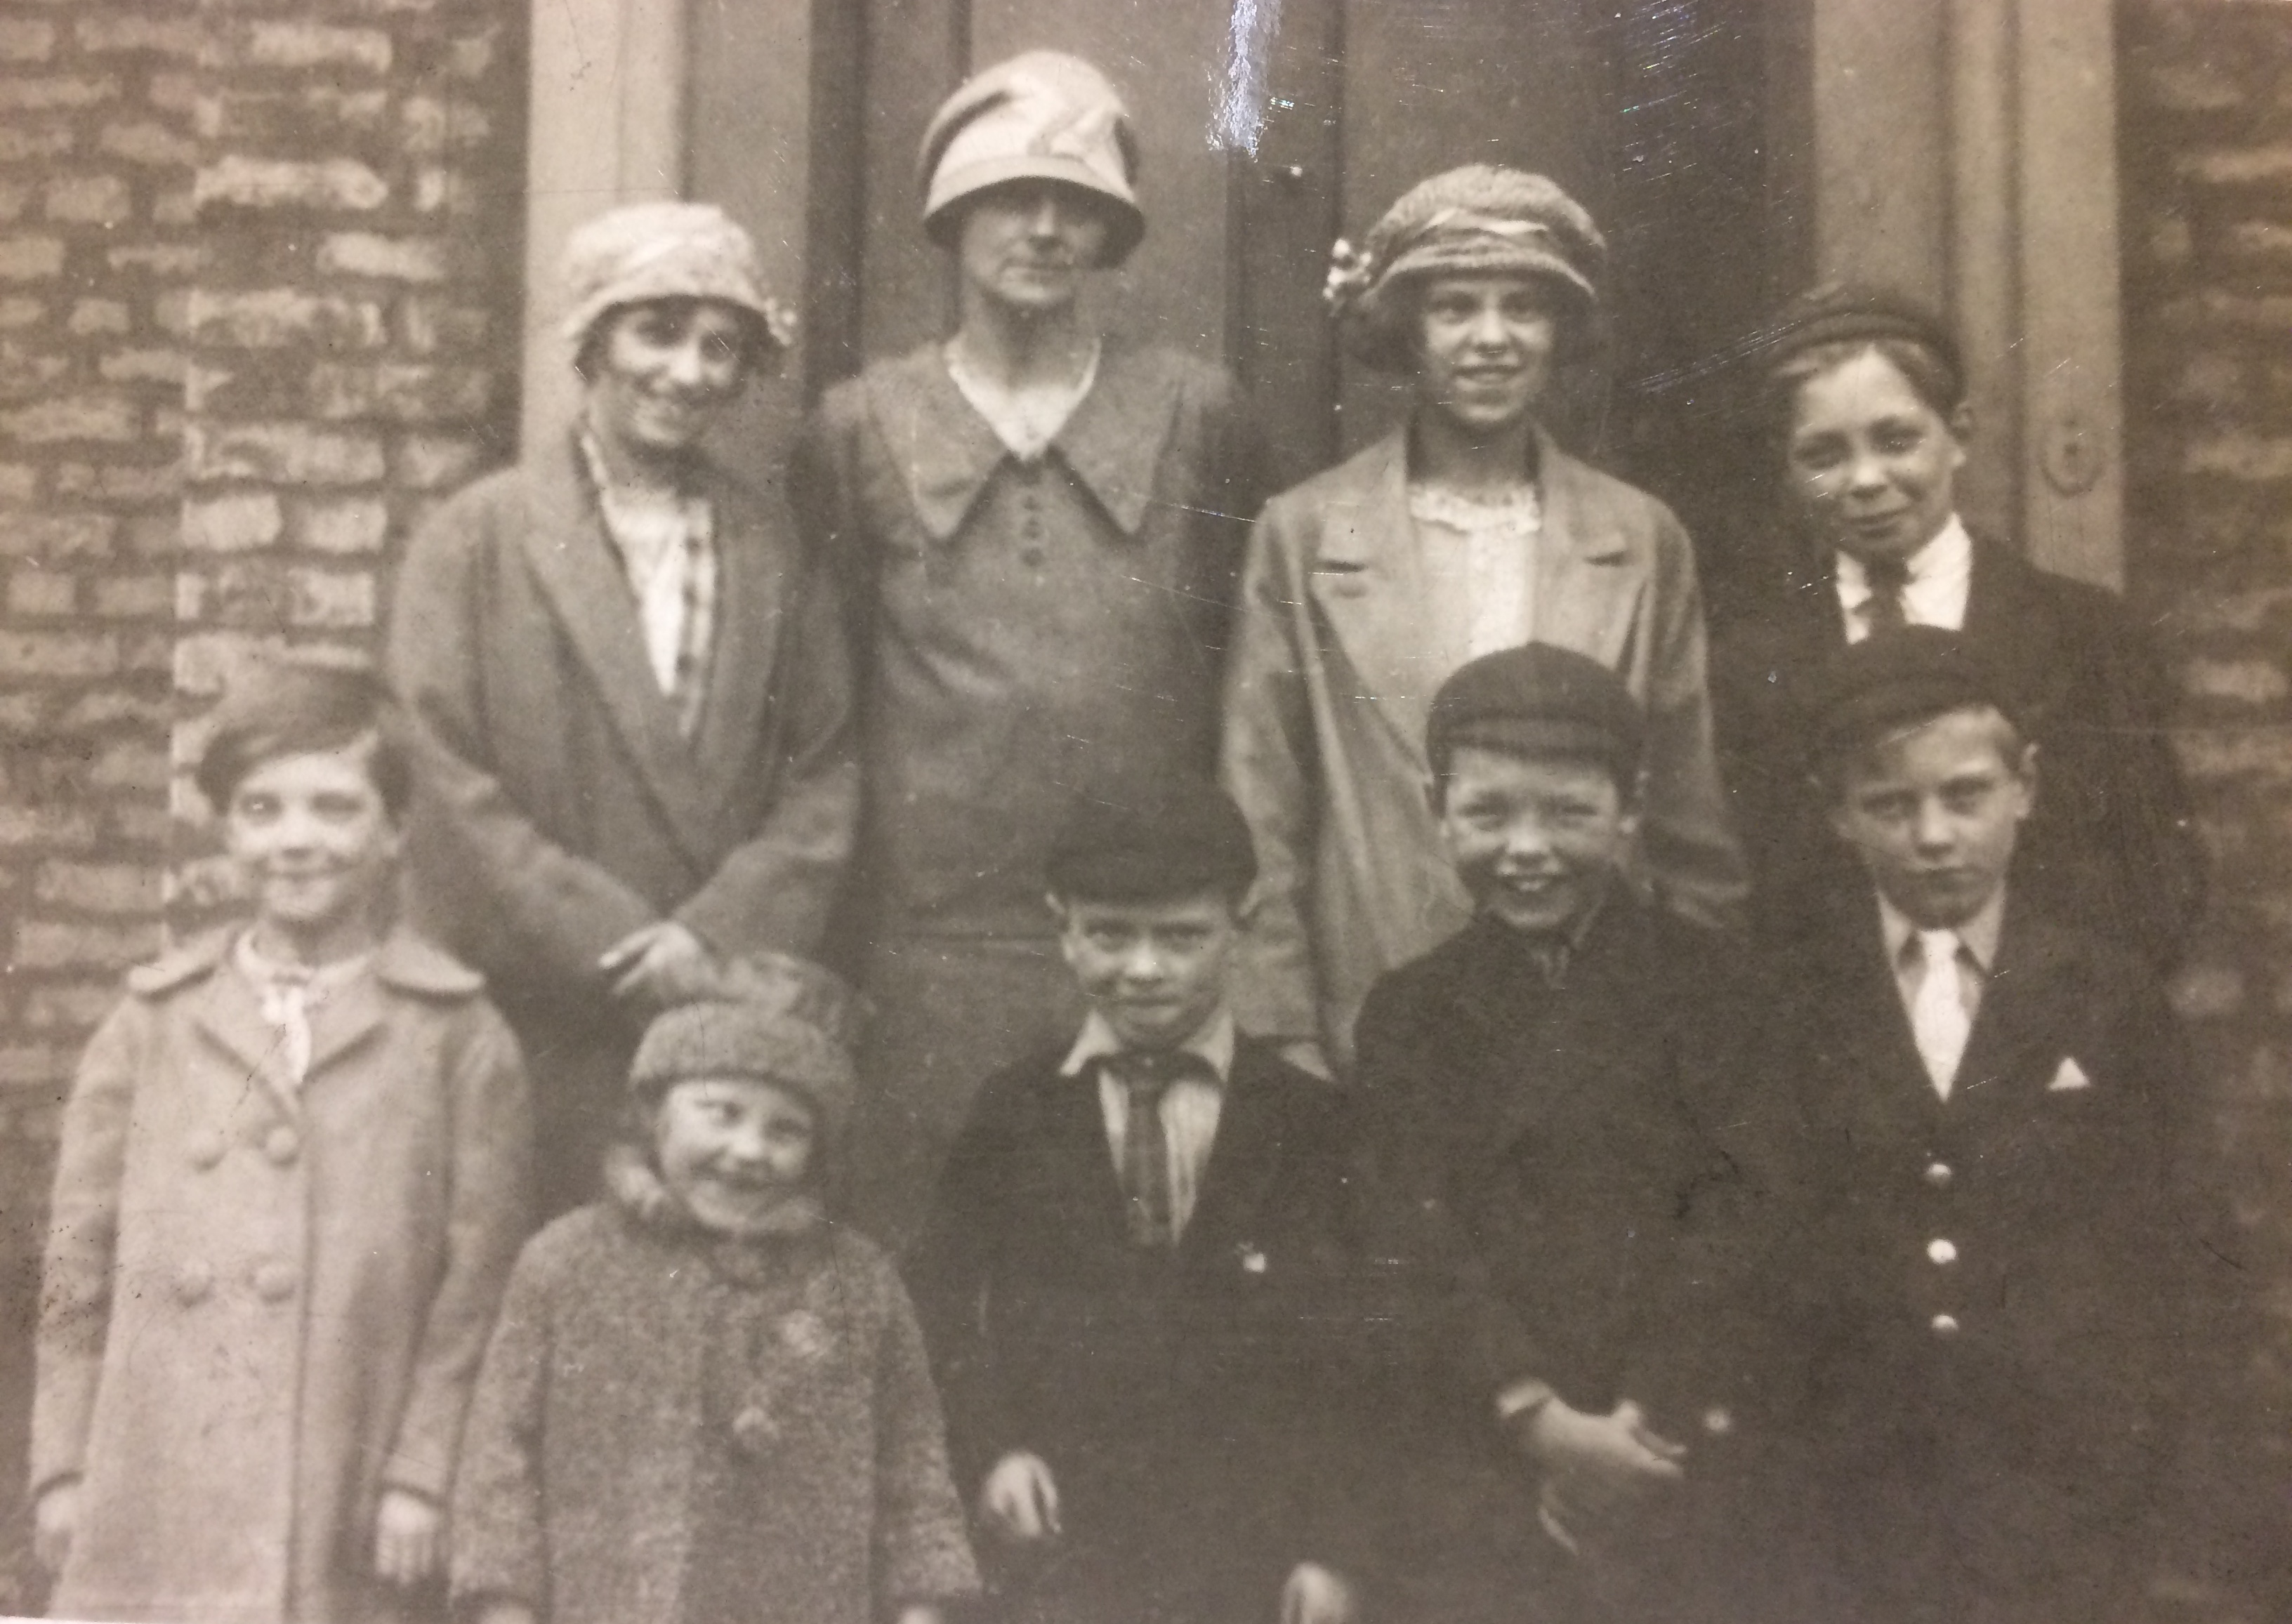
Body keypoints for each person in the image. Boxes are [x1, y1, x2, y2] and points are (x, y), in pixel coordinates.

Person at [793, 50, 1268, 1243]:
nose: (1046, 229)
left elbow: (1243, 670)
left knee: (1141, 1251)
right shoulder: (859, 425)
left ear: (1112, 234)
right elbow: (823, 703)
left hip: (1146, 935)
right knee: (937, 1248)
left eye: (1078, 205)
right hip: (935, 945)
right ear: (951, 219)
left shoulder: (1197, 413)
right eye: (1012, 197)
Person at [30, 657, 533, 1624]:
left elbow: (480, 1289)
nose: (296, 841)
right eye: (261, 810)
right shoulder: (152, 1022)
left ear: (395, 830)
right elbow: (75, 1264)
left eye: (334, 808)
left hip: (351, 1487)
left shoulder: (457, 1036)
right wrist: (62, 1464)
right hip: (153, 1480)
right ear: (226, 831)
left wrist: (423, 1473)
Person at [1222, 163, 1746, 1076]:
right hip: (1371, 1012)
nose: (1492, 339)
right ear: (1406, 331)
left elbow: (1685, 810)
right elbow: (1261, 802)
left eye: (1525, 308)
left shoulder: (1638, 536)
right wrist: (1283, 1033)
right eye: (1455, 308)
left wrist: (1694, 1025)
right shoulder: (1310, 531)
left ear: (1561, 332)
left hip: (1605, 1035)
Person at [388, 201, 856, 1216]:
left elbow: (825, 770)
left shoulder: (773, 546)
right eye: (658, 333)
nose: (689, 372)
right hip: (535, 1014)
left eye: (721, 347)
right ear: (592, 341)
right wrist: (612, 939)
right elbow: (441, 770)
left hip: (715, 1025)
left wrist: (711, 935)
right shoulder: (477, 538)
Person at [1751, 628, 2194, 1622]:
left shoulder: (2107, 993)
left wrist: (2144, 1476)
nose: (1934, 835)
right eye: (1890, 806)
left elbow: (2180, 1249)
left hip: (2064, 1489)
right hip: (1849, 1495)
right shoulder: (1788, 1001)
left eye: (1965, 795)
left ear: (2024, 787)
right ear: (1838, 816)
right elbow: (1761, 1248)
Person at [1349, 643, 1765, 1624]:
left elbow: (1744, 1217)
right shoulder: (1409, 1012)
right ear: (1436, 808)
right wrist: (1535, 1416)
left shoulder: (1718, 990)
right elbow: (1407, 1231)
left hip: (1673, 1447)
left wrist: (1639, 1421)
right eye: (1488, 814)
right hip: (1487, 1449)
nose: (1526, 848)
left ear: (1630, 810)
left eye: (1569, 814)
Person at [904, 780, 1359, 1624]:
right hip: (1061, 1552)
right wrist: (992, 1450)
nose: (1144, 969)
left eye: (1181, 937)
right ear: (1063, 928)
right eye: (1110, 935)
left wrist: (1333, 1548)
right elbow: (935, 1303)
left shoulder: (1315, 1124)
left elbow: (1365, 1358)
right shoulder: (1015, 1110)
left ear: (1243, 924)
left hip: (1253, 1557)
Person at [1712, 282, 2203, 971]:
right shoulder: (1747, 664)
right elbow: (1752, 899)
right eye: (1824, 455)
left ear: (1960, 435)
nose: (1866, 480)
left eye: (1897, 440)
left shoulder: (2088, 636)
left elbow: (2157, 879)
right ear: (1788, 470)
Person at [452, 992, 979, 1624]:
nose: (750, 1149)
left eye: (786, 1130)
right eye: (722, 1113)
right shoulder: (565, 1262)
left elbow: (914, 1467)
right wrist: (503, 1604)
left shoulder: (859, 1282)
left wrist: (922, 1606)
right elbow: (499, 1456)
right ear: (655, 1118)